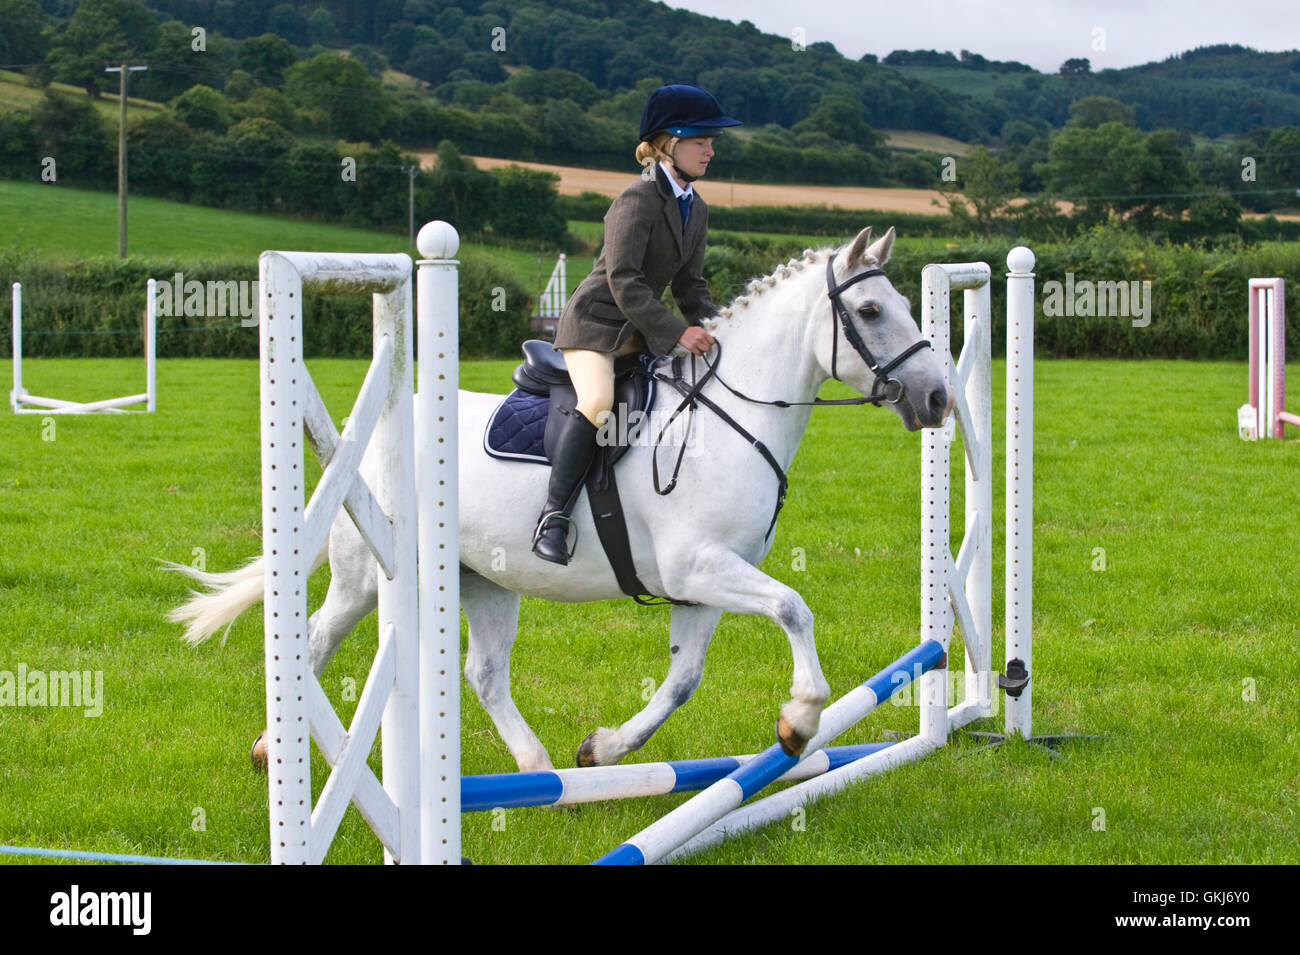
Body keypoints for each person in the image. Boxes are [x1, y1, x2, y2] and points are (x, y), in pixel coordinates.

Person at [532, 84, 741, 564]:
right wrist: (676, 332)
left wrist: (721, 330)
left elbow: (691, 287)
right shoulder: (637, 199)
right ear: (669, 143)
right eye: (701, 141)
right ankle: (553, 517)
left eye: (712, 142)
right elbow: (623, 280)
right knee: (600, 401)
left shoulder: (697, 207)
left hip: (639, 330)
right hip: (595, 326)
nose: (711, 150)